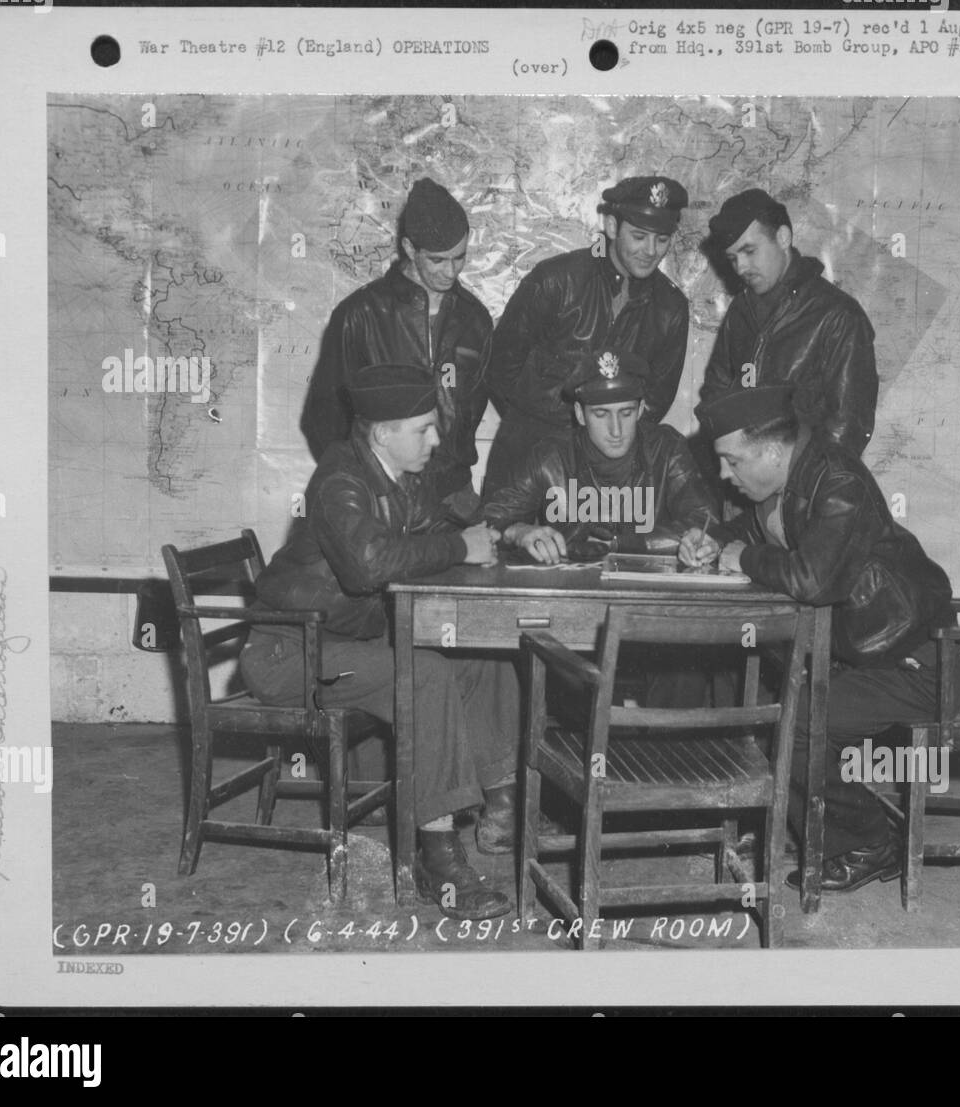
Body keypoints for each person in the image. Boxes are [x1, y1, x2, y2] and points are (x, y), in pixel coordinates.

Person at [243, 364, 518, 920]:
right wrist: (460, 550)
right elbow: (369, 565)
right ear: (381, 433)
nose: (436, 439)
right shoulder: (341, 481)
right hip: (289, 652)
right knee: (428, 676)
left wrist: (507, 532)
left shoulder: (393, 476)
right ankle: (436, 855)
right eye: (423, 429)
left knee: (483, 658)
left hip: (337, 645)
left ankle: (501, 802)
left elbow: (443, 520)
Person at [682, 385, 960, 892]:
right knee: (764, 700)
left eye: (732, 462)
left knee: (794, 728)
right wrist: (717, 544)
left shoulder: (837, 481)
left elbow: (815, 579)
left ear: (772, 451)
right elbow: (761, 541)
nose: (725, 475)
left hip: (917, 664)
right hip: (863, 655)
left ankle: (870, 843)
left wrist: (741, 558)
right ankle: (805, 820)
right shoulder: (783, 482)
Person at [482, 175, 691, 494]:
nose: (650, 251)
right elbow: (500, 366)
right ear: (611, 226)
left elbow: (655, 400)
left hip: (603, 476)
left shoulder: (671, 308)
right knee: (505, 541)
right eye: (638, 236)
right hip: (525, 456)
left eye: (661, 240)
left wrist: (606, 453)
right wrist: (536, 425)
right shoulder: (554, 280)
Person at [300, 178, 492, 520]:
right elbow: (323, 416)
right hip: (381, 496)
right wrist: (364, 484)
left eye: (459, 257)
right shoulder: (360, 314)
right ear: (408, 247)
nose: (450, 271)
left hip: (453, 497)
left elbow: (472, 410)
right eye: (437, 260)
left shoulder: (474, 318)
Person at [480, 349, 717, 561]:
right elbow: (489, 522)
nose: (616, 430)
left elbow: (706, 523)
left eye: (626, 413)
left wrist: (619, 544)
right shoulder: (550, 456)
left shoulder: (667, 449)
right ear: (580, 415)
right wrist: (519, 532)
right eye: (601, 414)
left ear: (641, 410)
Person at [698, 188, 879, 457]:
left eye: (749, 251)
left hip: (802, 491)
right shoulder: (740, 310)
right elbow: (716, 391)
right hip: (742, 483)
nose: (741, 268)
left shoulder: (839, 317)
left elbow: (847, 428)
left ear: (783, 237)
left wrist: (798, 485)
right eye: (733, 258)